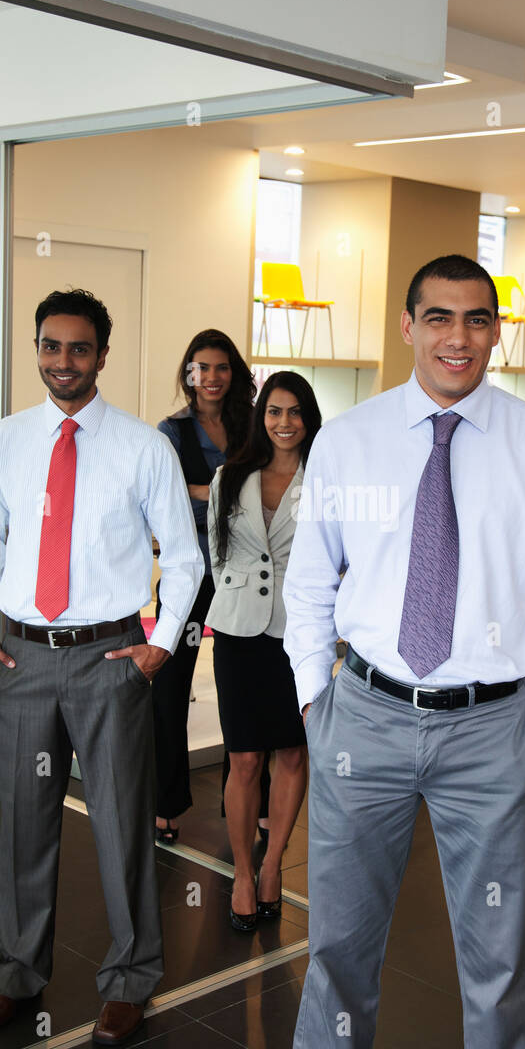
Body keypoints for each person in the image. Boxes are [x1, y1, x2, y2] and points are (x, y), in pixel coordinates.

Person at [282, 254, 525, 1049]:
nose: (457, 338)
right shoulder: (349, 440)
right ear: (407, 325)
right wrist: (320, 708)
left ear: (497, 330)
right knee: (337, 959)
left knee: (501, 974)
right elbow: (308, 586)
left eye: (476, 319)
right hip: (366, 721)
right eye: (438, 318)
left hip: (494, 734)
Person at [0, 289, 201, 1046]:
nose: (63, 361)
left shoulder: (142, 448)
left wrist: (158, 647)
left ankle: (130, 979)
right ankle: (16, 973)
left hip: (110, 658)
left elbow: (186, 556)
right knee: (24, 824)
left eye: (79, 348)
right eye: (51, 346)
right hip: (22, 657)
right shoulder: (3, 441)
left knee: (123, 826)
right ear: (37, 349)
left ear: (102, 353)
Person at [207, 371, 322, 932]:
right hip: (237, 634)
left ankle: (274, 865)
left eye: (296, 412)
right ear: (261, 417)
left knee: (293, 754)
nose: (285, 423)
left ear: (309, 419)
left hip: (298, 635)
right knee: (245, 756)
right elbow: (218, 556)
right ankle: (244, 874)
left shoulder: (325, 481)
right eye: (275, 411)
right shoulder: (231, 477)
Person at [151, 329, 255, 843]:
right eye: (201, 367)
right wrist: (229, 491)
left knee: (249, 683)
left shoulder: (251, 426)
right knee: (170, 683)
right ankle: (166, 798)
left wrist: (201, 491)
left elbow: (270, 491)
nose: (210, 377)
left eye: (220, 367)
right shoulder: (170, 431)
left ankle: (245, 799)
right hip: (190, 569)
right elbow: (166, 502)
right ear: (188, 373)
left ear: (232, 373)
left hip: (244, 572)